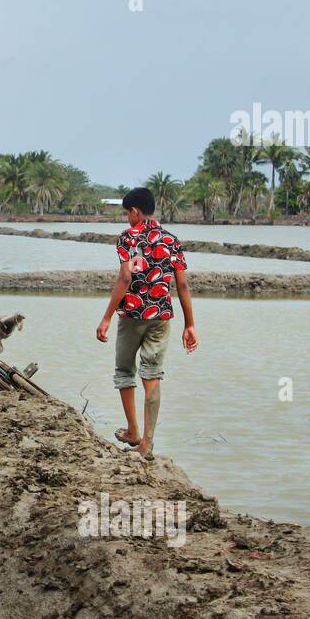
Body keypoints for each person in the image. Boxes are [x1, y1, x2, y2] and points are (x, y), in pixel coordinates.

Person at [95, 187, 198, 459]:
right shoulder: (171, 240)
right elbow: (183, 284)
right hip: (161, 317)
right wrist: (190, 324)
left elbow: (124, 279)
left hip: (131, 316)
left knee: (124, 371)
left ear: (135, 212)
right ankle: (147, 444)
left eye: (127, 214)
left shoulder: (128, 238)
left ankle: (132, 430)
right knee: (152, 374)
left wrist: (106, 317)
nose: (127, 219)